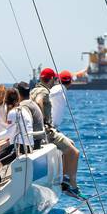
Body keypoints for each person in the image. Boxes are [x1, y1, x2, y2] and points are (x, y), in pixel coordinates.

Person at [31, 67, 82, 198]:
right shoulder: (55, 89)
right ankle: (72, 184)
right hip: (48, 130)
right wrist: (42, 120)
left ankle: (64, 179)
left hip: (46, 129)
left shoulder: (36, 90)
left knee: (70, 144)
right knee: (75, 152)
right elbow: (40, 100)